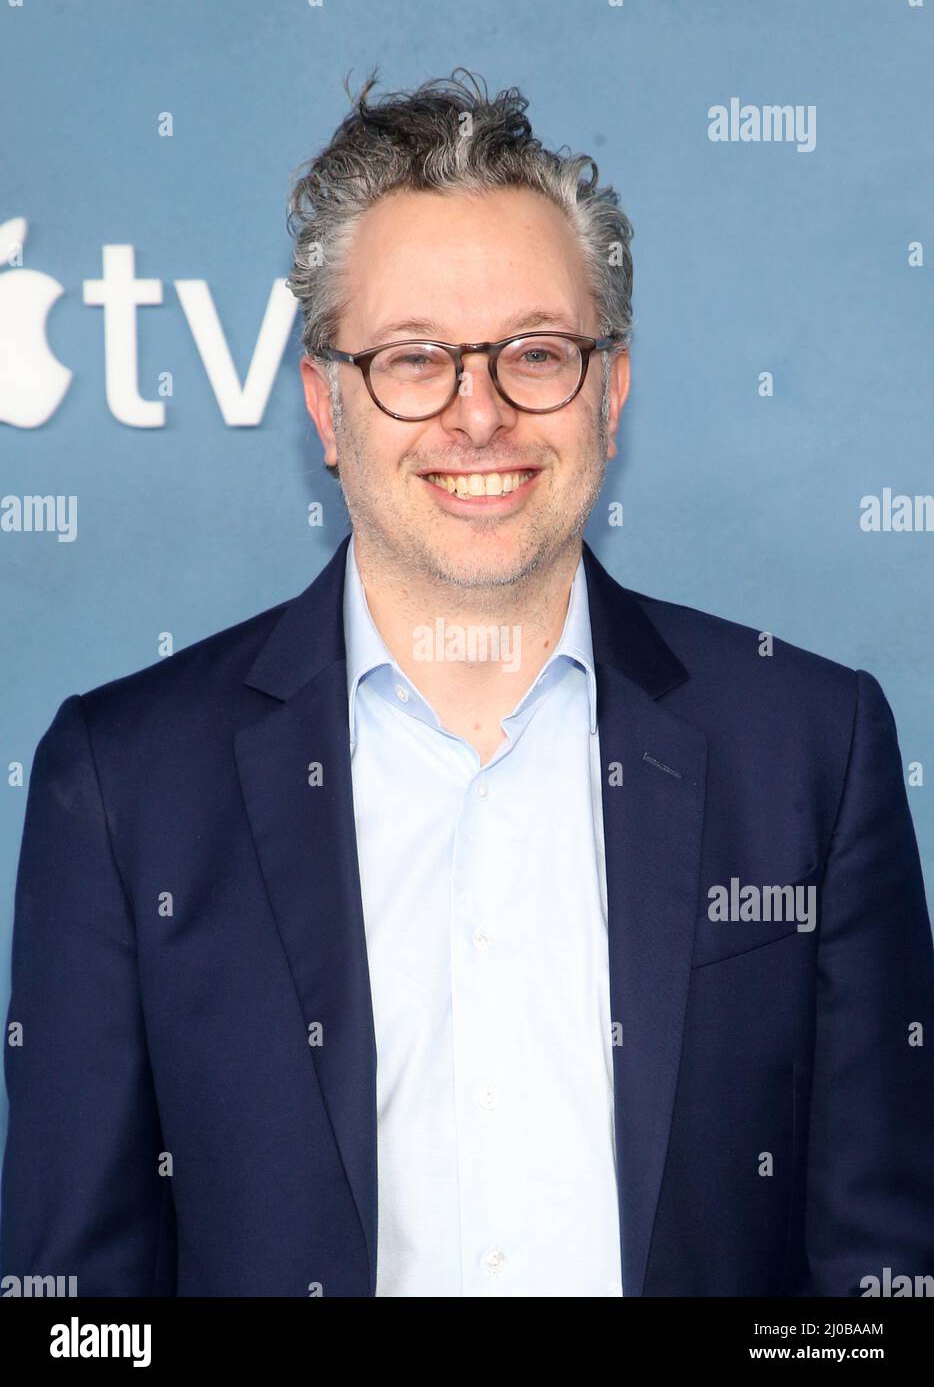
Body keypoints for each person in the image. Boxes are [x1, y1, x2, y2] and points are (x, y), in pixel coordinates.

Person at [2, 70, 933, 1298]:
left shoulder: (811, 749)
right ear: (325, 406)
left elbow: (875, 1285)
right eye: (413, 358)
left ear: (611, 389)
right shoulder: (125, 784)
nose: (477, 412)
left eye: (534, 353)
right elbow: (79, 1316)